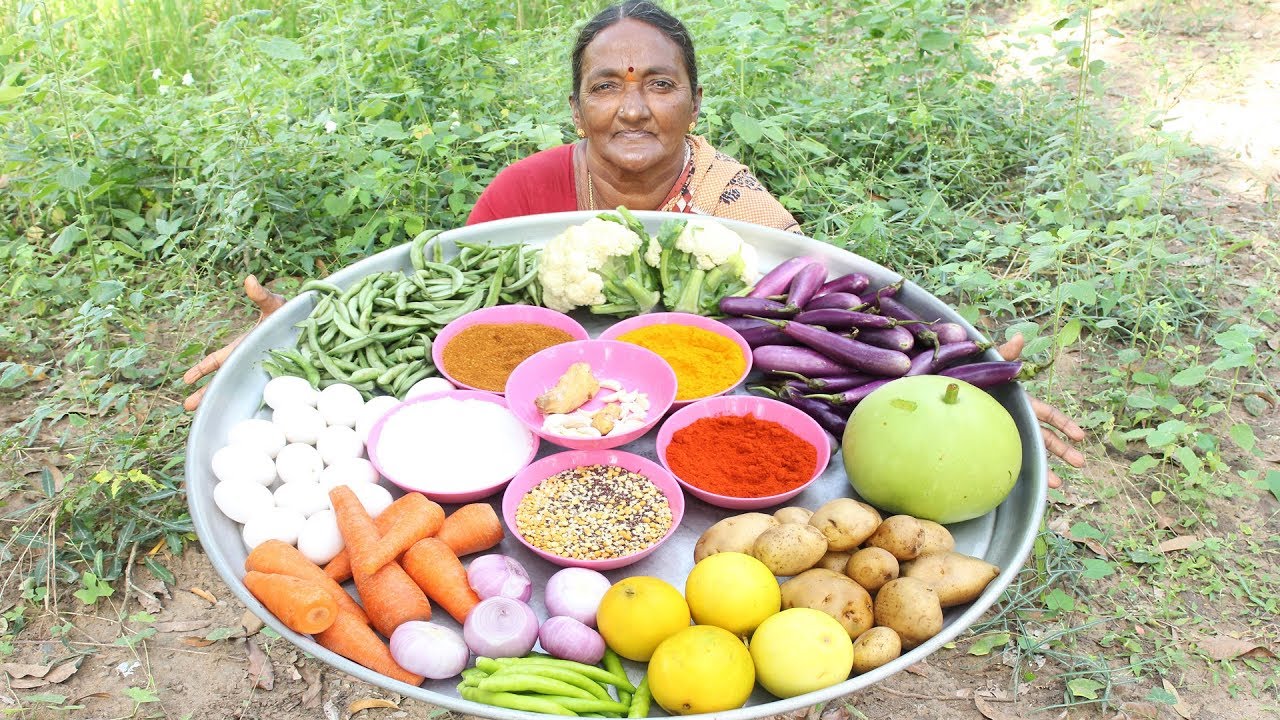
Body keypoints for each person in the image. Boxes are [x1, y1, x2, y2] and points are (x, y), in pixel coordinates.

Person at [182, 1, 1085, 487]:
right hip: (527, 431)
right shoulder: (524, 194)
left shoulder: (734, 207)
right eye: (606, 86)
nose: (633, 107)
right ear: (577, 106)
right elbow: (449, 293)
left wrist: (953, 381)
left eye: (659, 83)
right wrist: (297, 331)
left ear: (694, 102)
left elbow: (828, 326)